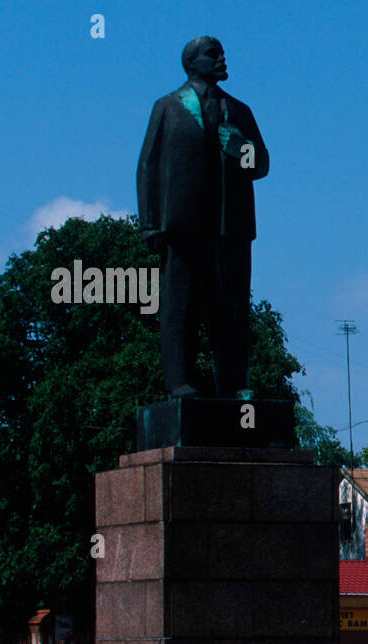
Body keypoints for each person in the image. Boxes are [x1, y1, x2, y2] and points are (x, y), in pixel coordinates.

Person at [137, 36, 270, 399]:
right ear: (191, 63)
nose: (222, 59)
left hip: (232, 227)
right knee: (180, 307)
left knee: (232, 308)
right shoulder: (167, 107)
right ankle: (179, 382)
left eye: (223, 52)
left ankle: (233, 384)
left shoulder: (240, 111)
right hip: (182, 225)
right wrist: (149, 222)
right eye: (213, 54)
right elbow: (148, 165)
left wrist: (240, 149)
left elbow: (261, 166)